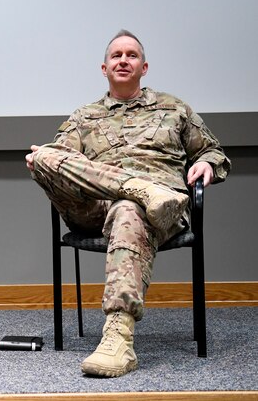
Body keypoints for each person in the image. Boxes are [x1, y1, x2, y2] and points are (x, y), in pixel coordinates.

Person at [26, 30, 230, 377]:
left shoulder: (174, 108)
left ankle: (118, 337)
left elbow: (213, 151)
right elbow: (57, 161)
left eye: (131, 55)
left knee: (129, 208)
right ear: (104, 67)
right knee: (42, 156)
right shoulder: (83, 117)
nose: (123, 60)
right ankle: (137, 188)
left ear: (144, 66)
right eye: (117, 55)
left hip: (155, 211)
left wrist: (207, 163)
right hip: (94, 208)